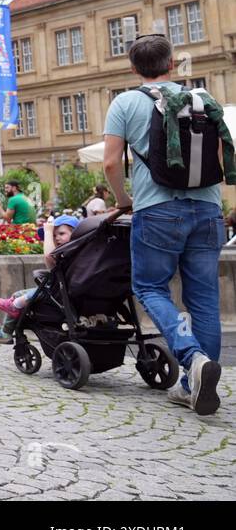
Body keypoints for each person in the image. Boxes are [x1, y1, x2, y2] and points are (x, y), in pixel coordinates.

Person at [104, 35, 225, 415]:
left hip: (157, 210)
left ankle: (191, 358)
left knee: (151, 287)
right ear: (172, 64)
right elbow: (219, 156)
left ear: (132, 68)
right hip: (207, 210)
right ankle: (193, 385)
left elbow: (110, 163)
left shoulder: (125, 102)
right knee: (204, 299)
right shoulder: (202, 98)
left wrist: (124, 200)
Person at [0, 214, 79, 343]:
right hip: (59, 291)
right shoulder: (74, 253)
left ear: (76, 234)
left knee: (31, 294)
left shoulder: (70, 254)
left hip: (59, 294)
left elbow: (48, 256)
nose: (56, 238)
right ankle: (5, 332)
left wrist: (48, 231)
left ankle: (13, 311)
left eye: (61, 234)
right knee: (17, 294)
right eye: (53, 236)